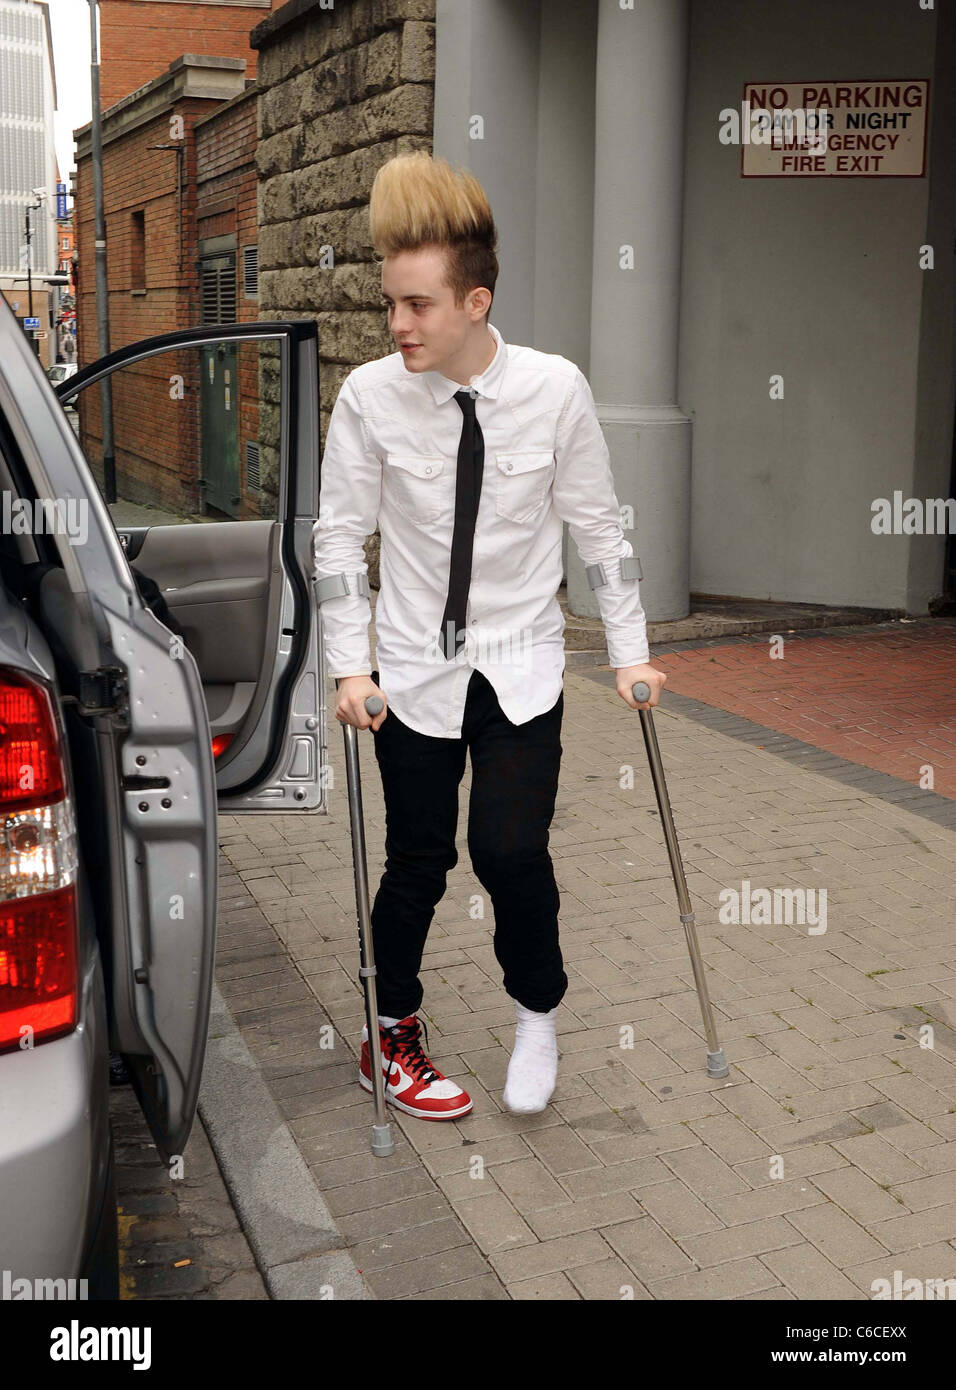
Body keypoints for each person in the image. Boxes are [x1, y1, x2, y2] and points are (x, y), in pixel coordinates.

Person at [313, 152, 666, 1122]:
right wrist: (349, 664)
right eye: (391, 304)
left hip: (520, 663)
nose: (397, 326)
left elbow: (601, 531)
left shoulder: (554, 392)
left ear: (473, 301)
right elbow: (339, 535)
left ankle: (536, 1015)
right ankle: (389, 1033)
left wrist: (629, 649)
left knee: (511, 852)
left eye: (418, 306)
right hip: (411, 672)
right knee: (417, 861)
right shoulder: (369, 399)